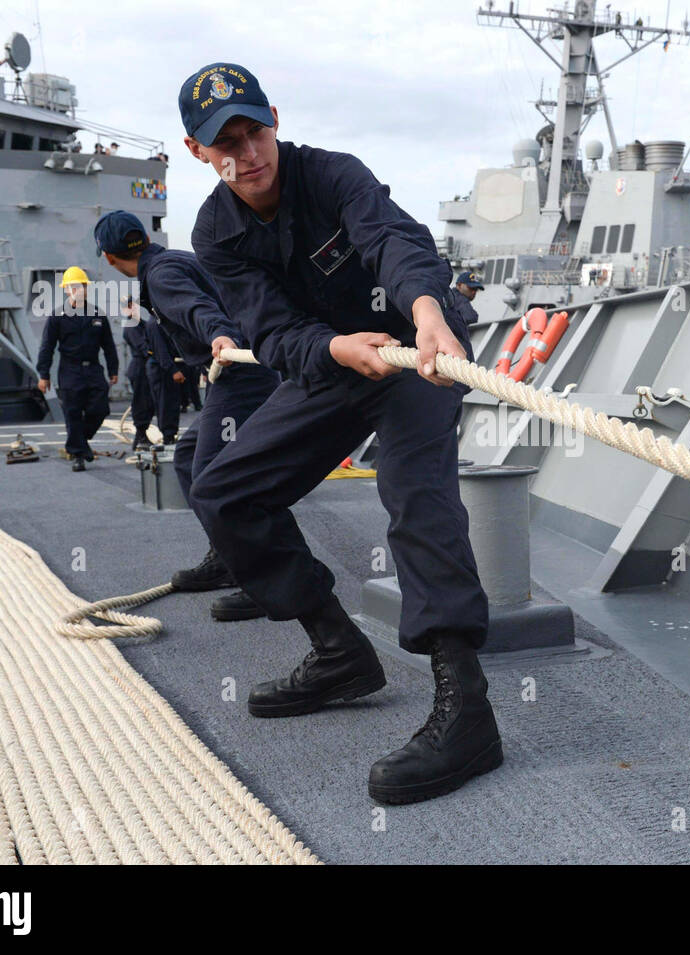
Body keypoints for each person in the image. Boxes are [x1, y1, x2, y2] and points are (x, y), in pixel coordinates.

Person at [181, 62, 500, 804]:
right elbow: (269, 328)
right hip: (333, 364)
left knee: (415, 493)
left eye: (253, 131)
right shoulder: (214, 232)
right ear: (199, 153)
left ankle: (469, 712)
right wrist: (329, 350)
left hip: (416, 349)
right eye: (224, 143)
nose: (246, 153)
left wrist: (426, 310)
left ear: (276, 121)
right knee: (226, 490)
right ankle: (338, 650)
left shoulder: (333, 176)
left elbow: (391, 238)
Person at [95, 209, 279, 622]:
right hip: (236, 375)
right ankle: (226, 558)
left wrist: (218, 335)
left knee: (217, 480)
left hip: (240, 373)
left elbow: (197, 309)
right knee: (188, 458)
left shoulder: (161, 275)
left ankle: (263, 580)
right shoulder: (176, 259)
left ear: (107, 257)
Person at [35, 267, 118, 472]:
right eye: (72, 287)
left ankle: (80, 442)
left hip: (94, 370)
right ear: (66, 290)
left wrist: (113, 369)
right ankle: (79, 455)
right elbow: (47, 347)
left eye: (80, 286)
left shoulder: (98, 315)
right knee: (72, 413)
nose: (77, 290)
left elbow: (108, 345)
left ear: (86, 288)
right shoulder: (57, 317)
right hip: (70, 371)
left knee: (100, 409)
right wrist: (43, 375)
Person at [119, 297, 155, 450]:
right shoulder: (131, 325)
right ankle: (140, 435)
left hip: (146, 366)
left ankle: (142, 436)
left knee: (149, 402)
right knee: (141, 402)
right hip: (139, 367)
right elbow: (144, 348)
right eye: (128, 306)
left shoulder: (142, 324)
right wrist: (157, 352)